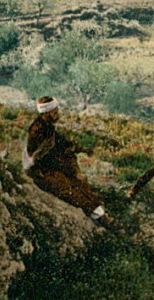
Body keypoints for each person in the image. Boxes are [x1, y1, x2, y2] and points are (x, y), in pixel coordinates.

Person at [23, 96, 110, 226]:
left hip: (50, 166)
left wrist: (80, 149)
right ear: (47, 113)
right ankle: (98, 215)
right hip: (40, 171)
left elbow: (61, 142)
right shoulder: (38, 130)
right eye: (55, 112)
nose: (58, 115)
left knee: (80, 183)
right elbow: (37, 157)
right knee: (70, 190)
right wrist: (67, 166)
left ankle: (100, 211)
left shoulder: (47, 126)